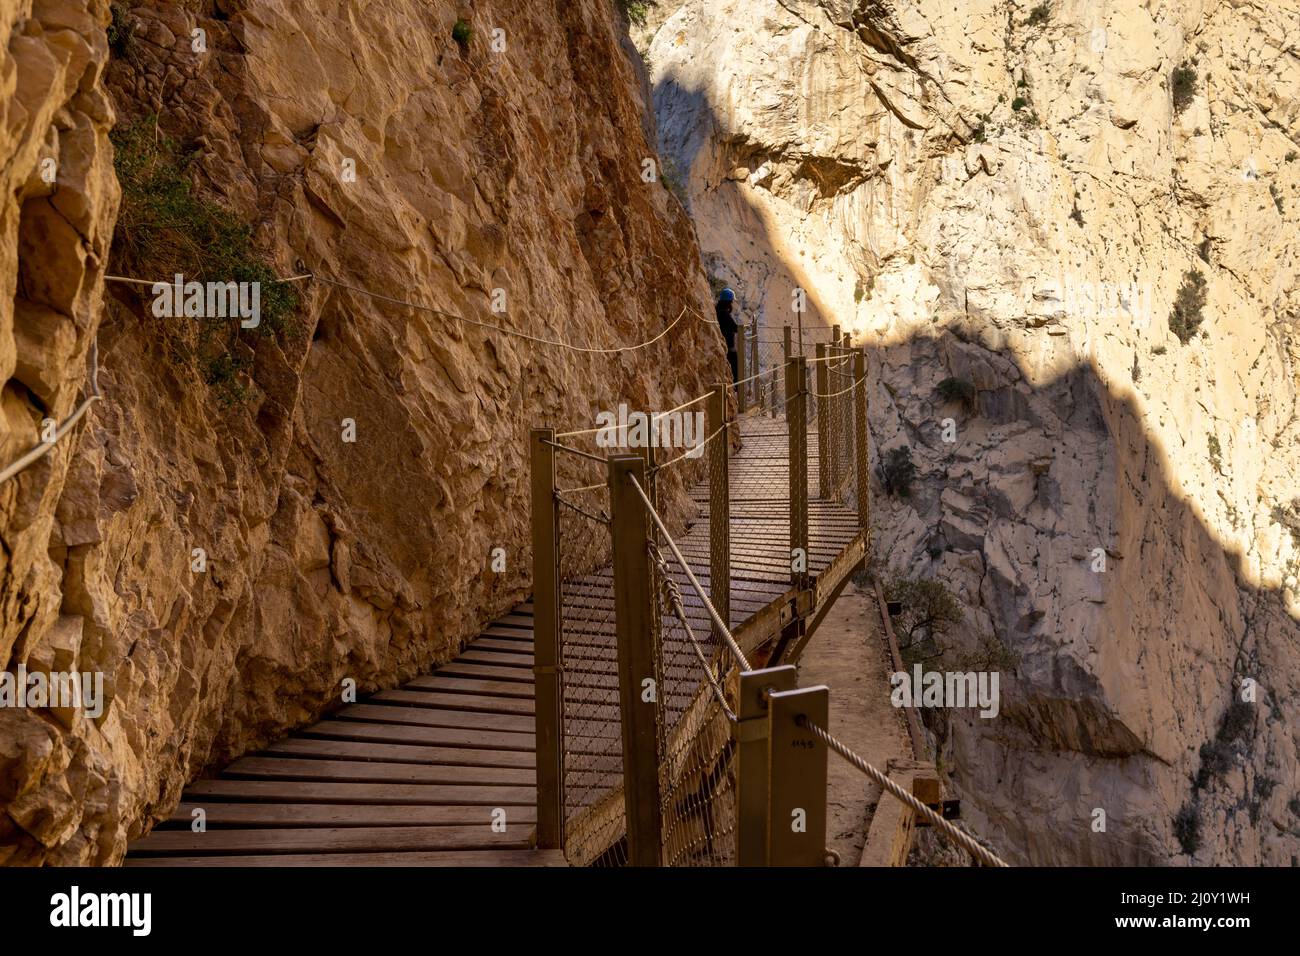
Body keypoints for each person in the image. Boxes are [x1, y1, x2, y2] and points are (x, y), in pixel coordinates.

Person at [715, 287, 738, 382]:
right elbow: (735, 328)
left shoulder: (717, 312)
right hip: (729, 347)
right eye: (732, 301)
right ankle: (736, 389)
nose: (732, 304)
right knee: (735, 370)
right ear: (728, 302)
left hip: (722, 345)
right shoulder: (725, 315)